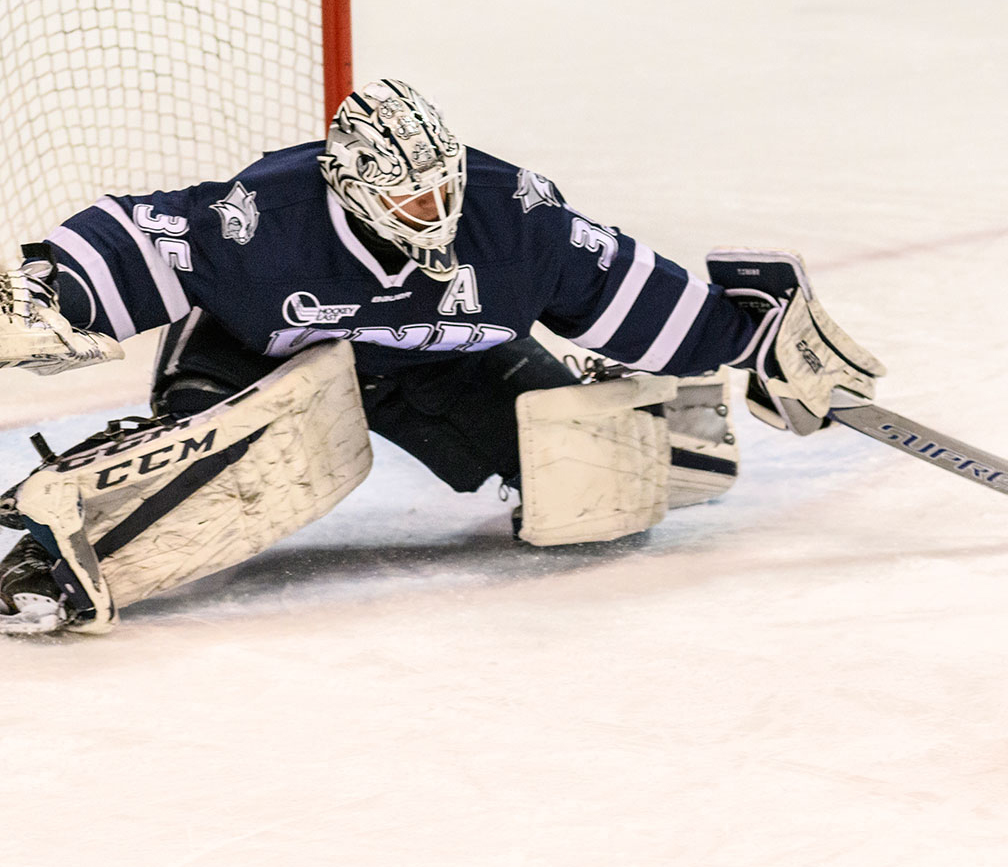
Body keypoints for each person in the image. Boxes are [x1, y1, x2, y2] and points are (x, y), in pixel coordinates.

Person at [0, 79, 883, 634]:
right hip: (263, 366)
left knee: (599, 482)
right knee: (224, 467)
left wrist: (749, 341)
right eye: (409, 196)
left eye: (440, 187)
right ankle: (55, 553)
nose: (434, 209)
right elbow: (148, 237)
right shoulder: (268, 217)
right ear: (350, 187)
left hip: (441, 366)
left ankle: (643, 432)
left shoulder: (514, 216)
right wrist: (54, 287)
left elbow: (621, 288)